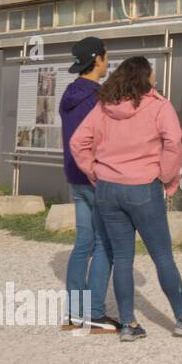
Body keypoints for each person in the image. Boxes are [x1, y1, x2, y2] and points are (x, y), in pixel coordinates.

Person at [70, 56, 182, 342]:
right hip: (143, 188)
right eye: (152, 72)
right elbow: (173, 141)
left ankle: (129, 325)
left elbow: (77, 142)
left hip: (108, 188)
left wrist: (94, 171)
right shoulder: (159, 105)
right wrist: (166, 175)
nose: (155, 76)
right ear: (145, 77)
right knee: (162, 257)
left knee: (121, 258)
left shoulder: (104, 106)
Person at [58, 36, 118, 332]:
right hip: (96, 177)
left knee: (82, 243)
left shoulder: (69, 94)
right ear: (98, 59)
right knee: (103, 244)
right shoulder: (101, 97)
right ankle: (94, 313)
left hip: (75, 177)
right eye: (106, 57)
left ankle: (74, 312)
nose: (108, 62)